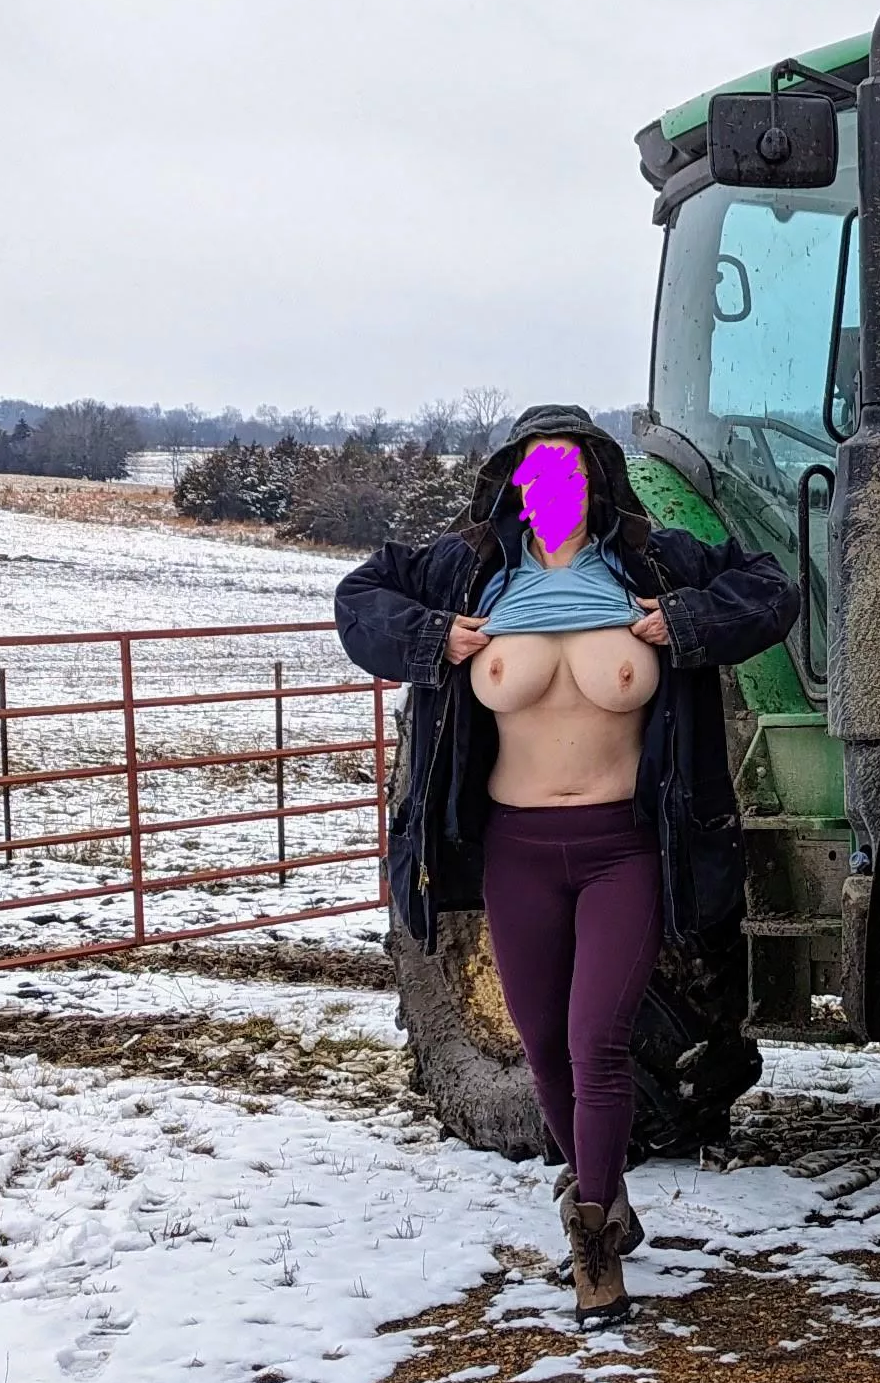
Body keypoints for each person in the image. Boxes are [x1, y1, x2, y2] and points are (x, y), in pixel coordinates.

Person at [332, 406, 797, 1325]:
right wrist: (434, 640)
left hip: (625, 846)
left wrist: (687, 620)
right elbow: (359, 599)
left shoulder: (653, 567)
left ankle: (592, 1246)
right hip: (516, 851)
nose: (557, 488)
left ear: (598, 481)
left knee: (597, 1044)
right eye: (539, 472)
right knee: (543, 1047)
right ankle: (605, 1192)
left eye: (573, 472)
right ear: (515, 483)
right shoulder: (468, 572)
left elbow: (772, 589)